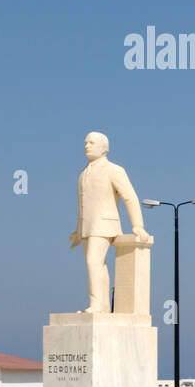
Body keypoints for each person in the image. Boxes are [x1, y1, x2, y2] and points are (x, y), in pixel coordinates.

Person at [68, 132, 152, 312]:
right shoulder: (83, 173)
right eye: (85, 142)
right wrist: (78, 229)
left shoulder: (114, 170)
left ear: (104, 148)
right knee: (97, 264)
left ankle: (97, 304)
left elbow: (130, 197)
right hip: (87, 227)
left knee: (93, 262)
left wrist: (138, 225)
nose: (86, 146)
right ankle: (103, 304)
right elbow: (83, 205)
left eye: (91, 142)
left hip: (105, 224)